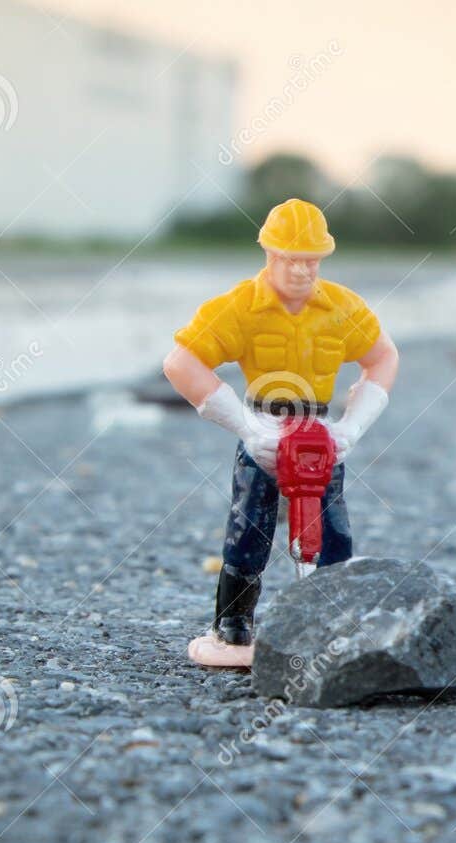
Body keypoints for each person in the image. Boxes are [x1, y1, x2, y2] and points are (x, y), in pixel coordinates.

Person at [163, 198, 400, 667]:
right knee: (249, 527)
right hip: (263, 427)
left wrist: (351, 427)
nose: (301, 270)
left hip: (320, 432)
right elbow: (180, 362)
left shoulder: (341, 307)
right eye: (291, 259)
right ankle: (232, 628)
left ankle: (332, 626)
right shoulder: (239, 307)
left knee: (331, 530)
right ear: (269, 253)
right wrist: (247, 428)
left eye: (310, 259)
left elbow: (383, 357)